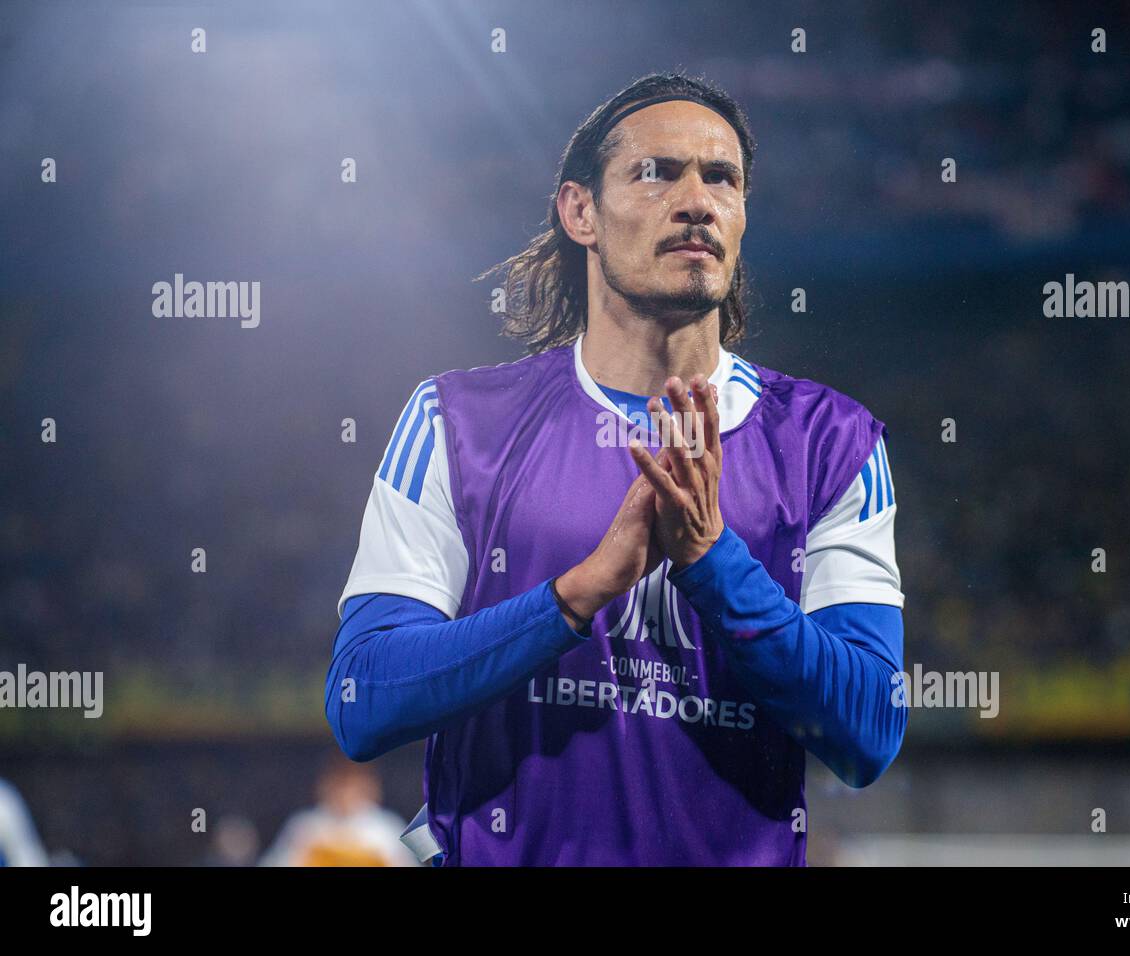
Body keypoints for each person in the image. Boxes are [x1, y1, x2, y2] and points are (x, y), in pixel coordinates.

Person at [327, 71, 906, 866]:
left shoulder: (831, 443)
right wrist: (579, 592)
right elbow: (362, 699)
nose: (697, 199)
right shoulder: (458, 424)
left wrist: (712, 560)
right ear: (579, 212)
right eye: (657, 172)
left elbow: (868, 731)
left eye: (723, 179)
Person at [260, 757, 412, 867]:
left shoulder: (386, 828)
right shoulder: (305, 826)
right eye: (341, 783)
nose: (346, 793)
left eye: (353, 785)